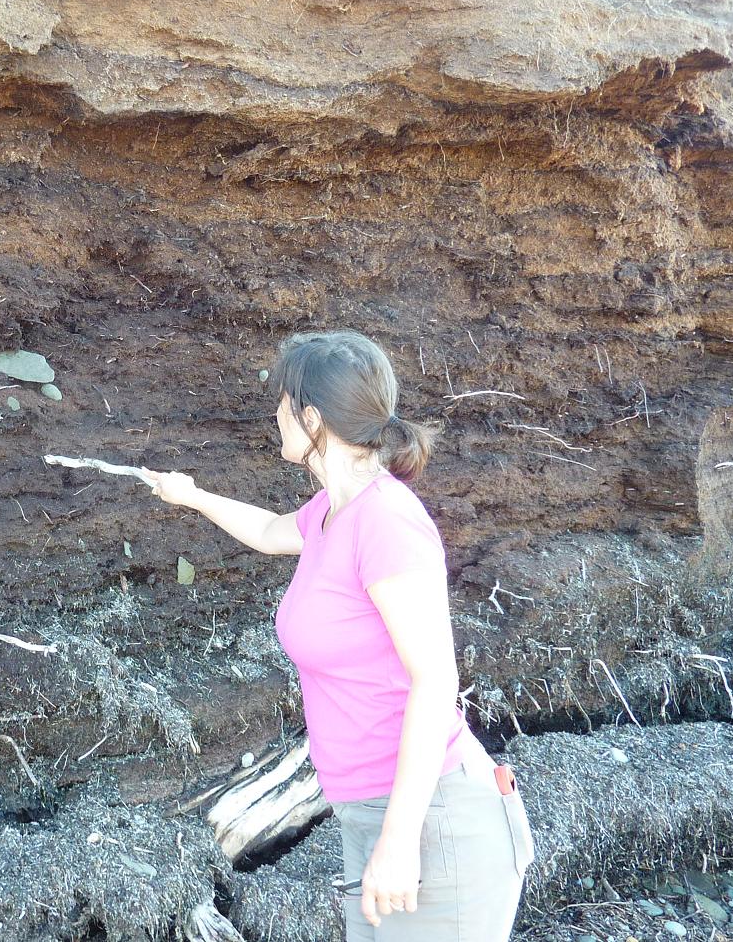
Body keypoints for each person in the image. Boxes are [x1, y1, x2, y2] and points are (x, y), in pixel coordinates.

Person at [143, 329, 533, 940]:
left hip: (435, 822)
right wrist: (191, 498)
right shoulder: (333, 512)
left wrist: (400, 842)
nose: (275, 415)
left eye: (282, 402)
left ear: (312, 417)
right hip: (370, 814)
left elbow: (436, 681)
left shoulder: (387, 522)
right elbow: (272, 529)